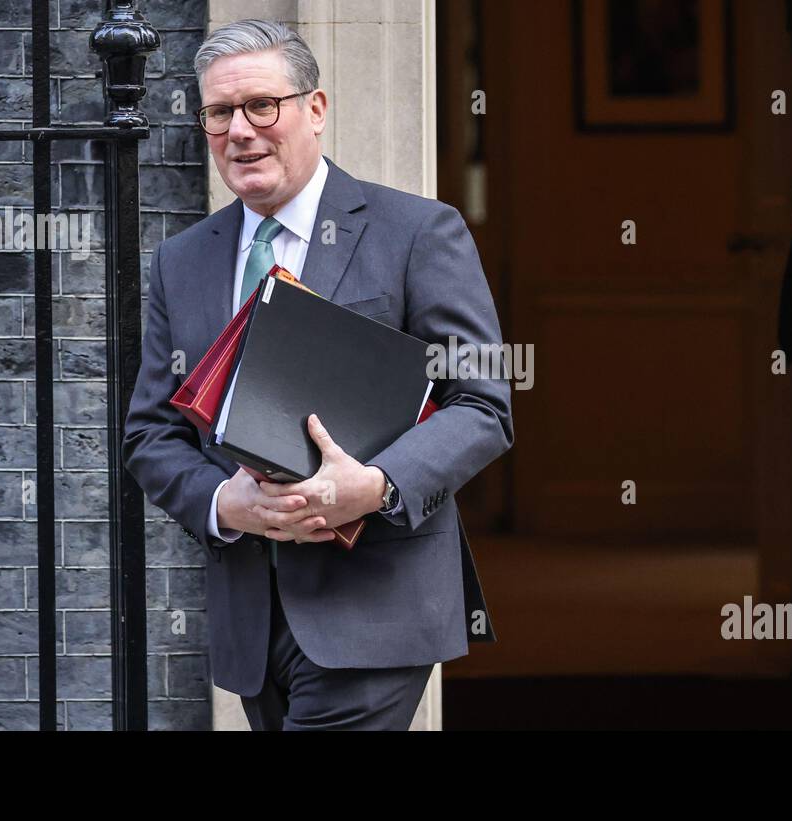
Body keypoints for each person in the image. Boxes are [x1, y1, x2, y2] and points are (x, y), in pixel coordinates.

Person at [122, 19, 513, 730]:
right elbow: (150, 434)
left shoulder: (419, 233)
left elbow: (483, 404)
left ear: (316, 109)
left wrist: (376, 485)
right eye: (219, 113)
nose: (240, 131)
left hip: (375, 606)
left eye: (262, 106)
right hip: (251, 618)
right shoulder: (181, 262)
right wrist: (224, 503)